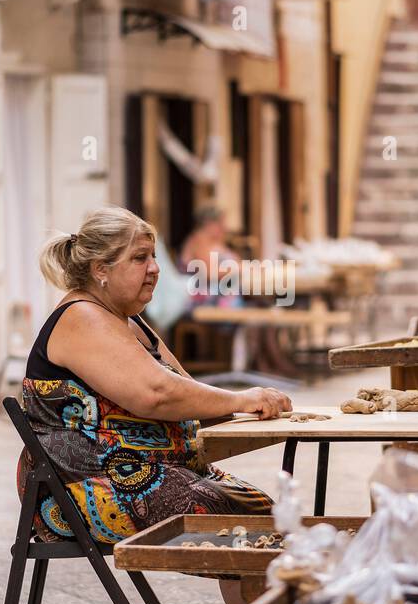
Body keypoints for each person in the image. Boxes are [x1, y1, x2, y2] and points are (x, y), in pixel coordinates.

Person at [19, 206, 288, 557]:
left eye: (154, 256)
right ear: (101, 269)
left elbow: (188, 394)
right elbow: (157, 394)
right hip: (85, 486)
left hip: (151, 469)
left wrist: (259, 412)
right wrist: (241, 399)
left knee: (264, 512)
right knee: (245, 525)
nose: (156, 268)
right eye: (140, 258)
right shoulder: (81, 317)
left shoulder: (130, 322)